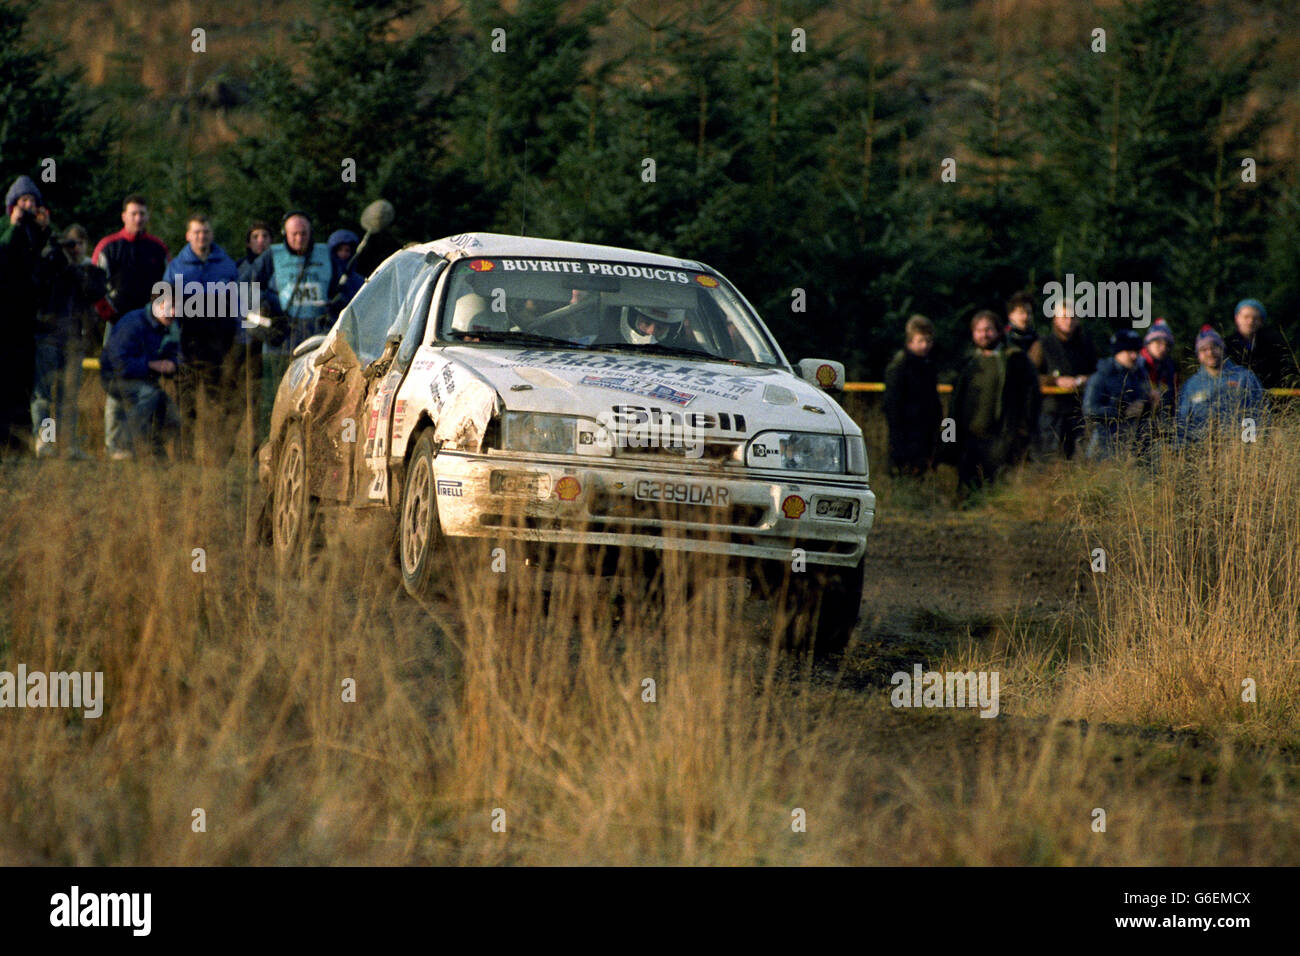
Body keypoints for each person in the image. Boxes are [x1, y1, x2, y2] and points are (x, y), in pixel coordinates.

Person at [247, 211, 339, 438]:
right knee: (273, 399)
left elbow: (347, 287)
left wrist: (337, 305)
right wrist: (264, 310)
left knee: (317, 400)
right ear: (284, 234)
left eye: (304, 233)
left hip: (319, 341)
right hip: (281, 339)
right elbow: (247, 287)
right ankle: (267, 453)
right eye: (294, 234)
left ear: (311, 233)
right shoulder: (272, 256)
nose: (299, 238)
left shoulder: (326, 254)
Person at [93, 195, 170, 458]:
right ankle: (114, 445)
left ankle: (144, 444)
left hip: (149, 327)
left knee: (148, 384)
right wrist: (109, 315)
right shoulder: (109, 247)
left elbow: (166, 287)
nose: (138, 218)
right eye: (134, 213)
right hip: (117, 326)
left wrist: (163, 318)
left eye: (143, 214)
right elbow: (93, 285)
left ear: (148, 217)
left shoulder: (157, 249)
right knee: (115, 382)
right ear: (124, 216)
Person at [165, 213, 241, 461]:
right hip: (186, 345)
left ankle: (218, 456)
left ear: (211, 234)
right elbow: (163, 304)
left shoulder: (226, 264)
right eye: (196, 232)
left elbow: (238, 304)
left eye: (205, 232)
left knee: (218, 401)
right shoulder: (176, 266)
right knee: (185, 403)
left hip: (219, 344)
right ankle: (183, 455)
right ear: (188, 236)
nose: (201, 236)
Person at [32, 225, 107, 458]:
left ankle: (68, 446)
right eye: (70, 243)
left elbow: (93, 291)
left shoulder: (91, 271)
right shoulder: (53, 266)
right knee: (43, 395)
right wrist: (56, 256)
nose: (75, 249)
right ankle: (46, 442)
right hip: (48, 337)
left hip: (75, 340)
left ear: (87, 245)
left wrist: (73, 266)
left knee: (69, 397)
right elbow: (40, 284)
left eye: (80, 244)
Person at [947, 309, 1039, 493]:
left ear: (999, 331)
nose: (984, 335)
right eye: (979, 330)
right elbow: (953, 404)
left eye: (988, 329)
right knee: (967, 488)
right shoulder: (966, 363)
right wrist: (948, 438)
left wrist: (1023, 430)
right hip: (968, 437)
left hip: (1001, 437)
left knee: (997, 487)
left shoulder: (1015, 360)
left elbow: (1031, 396)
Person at [0, 175, 52, 455]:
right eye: (23, 200)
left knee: (23, 382)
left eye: (32, 201)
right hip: (5, 316)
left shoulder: (37, 232)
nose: (28, 205)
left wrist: (44, 231)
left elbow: (41, 266)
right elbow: (4, 253)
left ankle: (18, 443)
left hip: (26, 318)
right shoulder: (5, 227)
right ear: (13, 205)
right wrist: (13, 227)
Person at [99, 289, 181, 458]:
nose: (173, 312)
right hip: (115, 378)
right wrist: (151, 365)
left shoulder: (170, 327)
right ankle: (121, 446)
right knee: (149, 394)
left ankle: (154, 451)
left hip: (142, 378)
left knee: (171, 415)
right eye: (169, 307)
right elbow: (118, 363)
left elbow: (174, 352)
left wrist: (173, 363)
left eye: (176, 307)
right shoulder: (132, 323)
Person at [1177, 325, 1268, 445]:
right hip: (1201, 453)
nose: (1210, 352)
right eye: (1204, 349)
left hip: (1239, 452)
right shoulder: (1191, 385)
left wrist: (1249, 446)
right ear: (1198, 355)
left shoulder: (1245, 377)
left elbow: (1259, 413)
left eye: (1214, 347)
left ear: (1222, 349)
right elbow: (1182, 423)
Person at [1035, 299, 1097, 460]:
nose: (1068, 321)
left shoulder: (1086, 345)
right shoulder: (1042, 345)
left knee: (1077, 459)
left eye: (1072, 317)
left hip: (1079, 411)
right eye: (1064, 317)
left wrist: (1085, 379)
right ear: (1055, 319)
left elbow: (1098, 374)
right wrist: (1056, 381)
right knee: (1051, 459)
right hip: (1051, 412)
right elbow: (1029, 377)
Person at [883, 314, 942, 477]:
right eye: (921, 341)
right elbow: (891, 406)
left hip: (924, 434)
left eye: (928, 341)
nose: (925, 345)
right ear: (910, 341)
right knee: (903, 477)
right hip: (905, 435)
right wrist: (897, 440)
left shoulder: (928, 366)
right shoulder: (899, 366)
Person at [1082, 329, 1152, 461]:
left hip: (1133, 448)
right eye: (1129, 351)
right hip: (1104, 450)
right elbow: (1089, 409)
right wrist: (1122, 411)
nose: (1134, 356)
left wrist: (1148, 404)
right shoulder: (1101, 375)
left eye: (1137, 352)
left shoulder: (1139, 375)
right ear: (1117, 352)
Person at [1224, 298, 1297, 390]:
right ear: (1237, 318)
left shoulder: (1273, 344)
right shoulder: (1225, 345)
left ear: (1261, 321)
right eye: (1246, 317)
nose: (1250, 321)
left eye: (1255, 318)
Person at [1138, 318, 1178, 443]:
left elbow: (1173, 396)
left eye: (1167, 345)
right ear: (1148, 343)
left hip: (1157, 425)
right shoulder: (1137, 365)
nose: (1163, 348)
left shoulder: (1168, 367)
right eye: (1158, 343)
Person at [327, 228, 365, 320]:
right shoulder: (327, 276)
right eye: (340, 250)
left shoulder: (358, 280)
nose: (343, 253)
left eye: (347, 250)